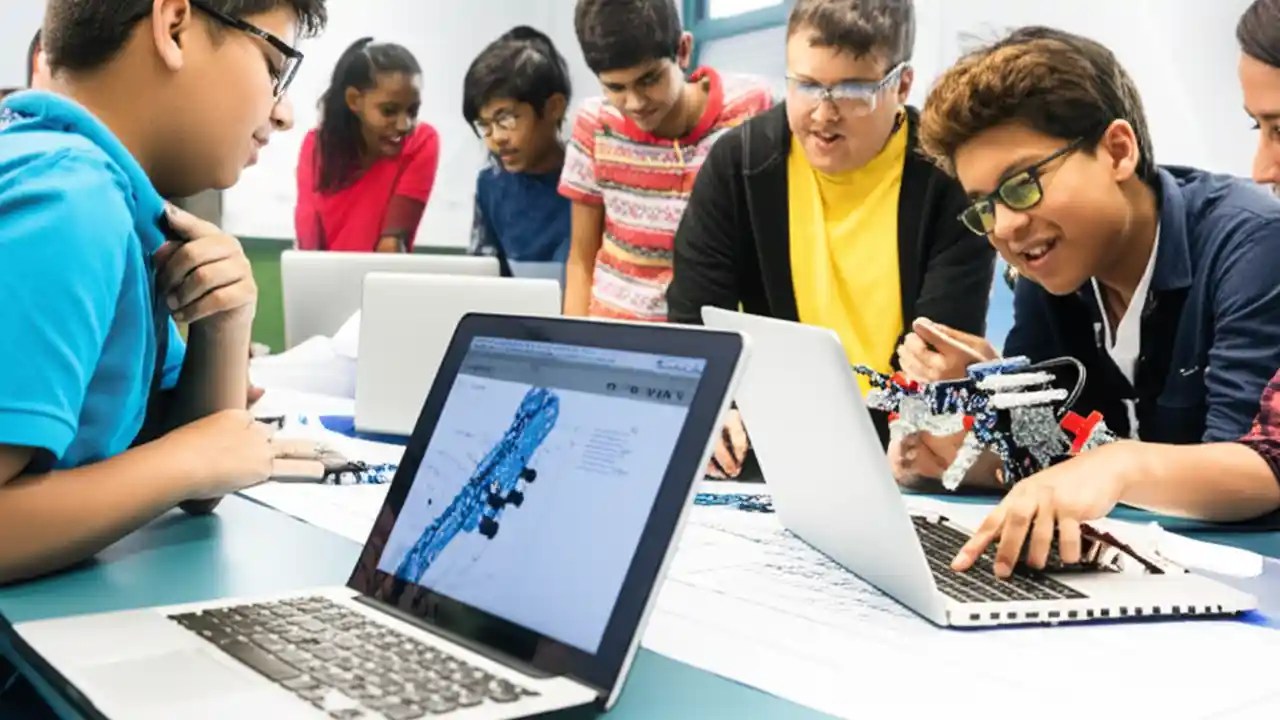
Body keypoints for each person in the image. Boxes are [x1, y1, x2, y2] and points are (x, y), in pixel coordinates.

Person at [897, 23, 1280, 576]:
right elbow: (1059, 454)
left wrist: (1114, 464)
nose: (1006, 227)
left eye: (1022, 184)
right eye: (984, 207)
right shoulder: (1047, 271)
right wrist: (970, 455)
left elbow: (1254, 470)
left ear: (1118, 151)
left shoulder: (1253, 243)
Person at [0, 0, 327, 587]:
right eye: (275, 67)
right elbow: (193, 461)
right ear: (173, 25)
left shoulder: (116, 205)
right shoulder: (69, 200)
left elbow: (203, 477)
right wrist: (188, 461)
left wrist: (224, 326)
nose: (284, 113)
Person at [666, 0, 995, 478]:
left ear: (902, 84)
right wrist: (716, 405)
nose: (823, 114)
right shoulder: (740, 164)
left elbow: (942, 352)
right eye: (806, 85)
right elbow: (694, 316)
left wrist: (912, 444)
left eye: (853, 91)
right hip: (765, 442)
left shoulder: (949, 179)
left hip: (901, 448)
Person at [560, 0, 774, 321]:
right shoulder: (594, 123)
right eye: (615, 87)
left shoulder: (750, 108)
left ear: (683, 50)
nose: (634, 102)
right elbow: (581, 256)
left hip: (709, 329)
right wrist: (573, 346)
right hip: (612, 328)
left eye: (649, 79)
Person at [295, 38, 438, 253]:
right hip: (326, 278)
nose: (404, 125)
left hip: (383, 279)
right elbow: (308, 238)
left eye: (413, 111)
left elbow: (391, 244)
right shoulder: (317, 146)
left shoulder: (422, 141)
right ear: (354, 101)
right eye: (389, 111)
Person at [463, 26, 573, 273]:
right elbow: (482, 281)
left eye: (507, 119)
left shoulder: (588, 181)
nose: (497, 138)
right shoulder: (491, 185)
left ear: (554, 107)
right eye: (485, 125)